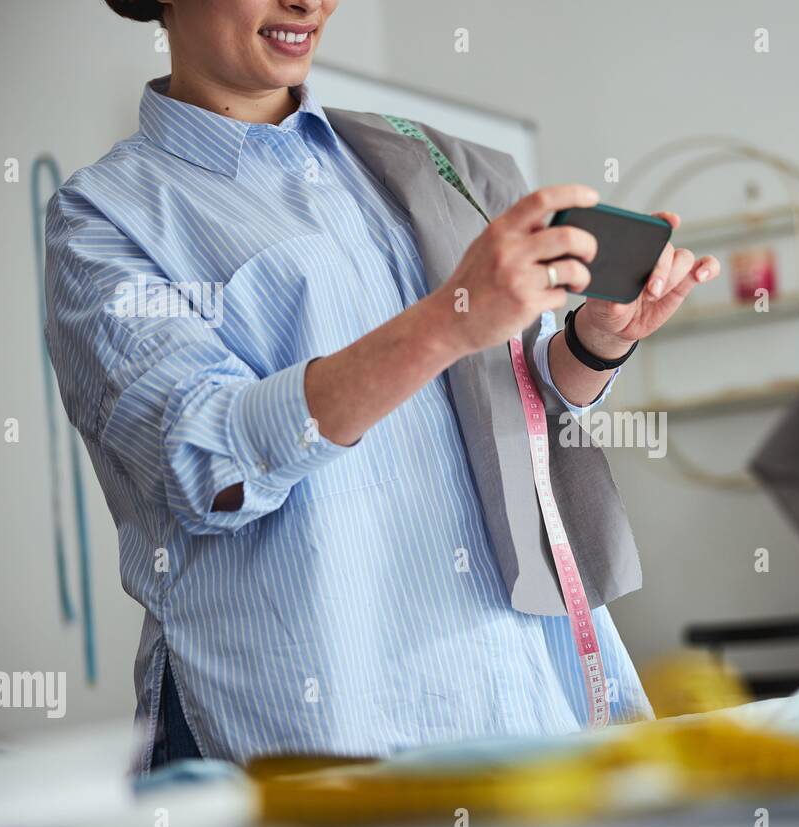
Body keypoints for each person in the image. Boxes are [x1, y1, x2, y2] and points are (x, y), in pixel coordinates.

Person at [45, 0, 719, 769]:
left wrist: (594, 346)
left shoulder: (416, 159)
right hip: (325, 719)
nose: (309, 3)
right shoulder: (105, 218)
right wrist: (446, 321)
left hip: (531, 687)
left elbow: (508, 395)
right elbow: (203, 460)